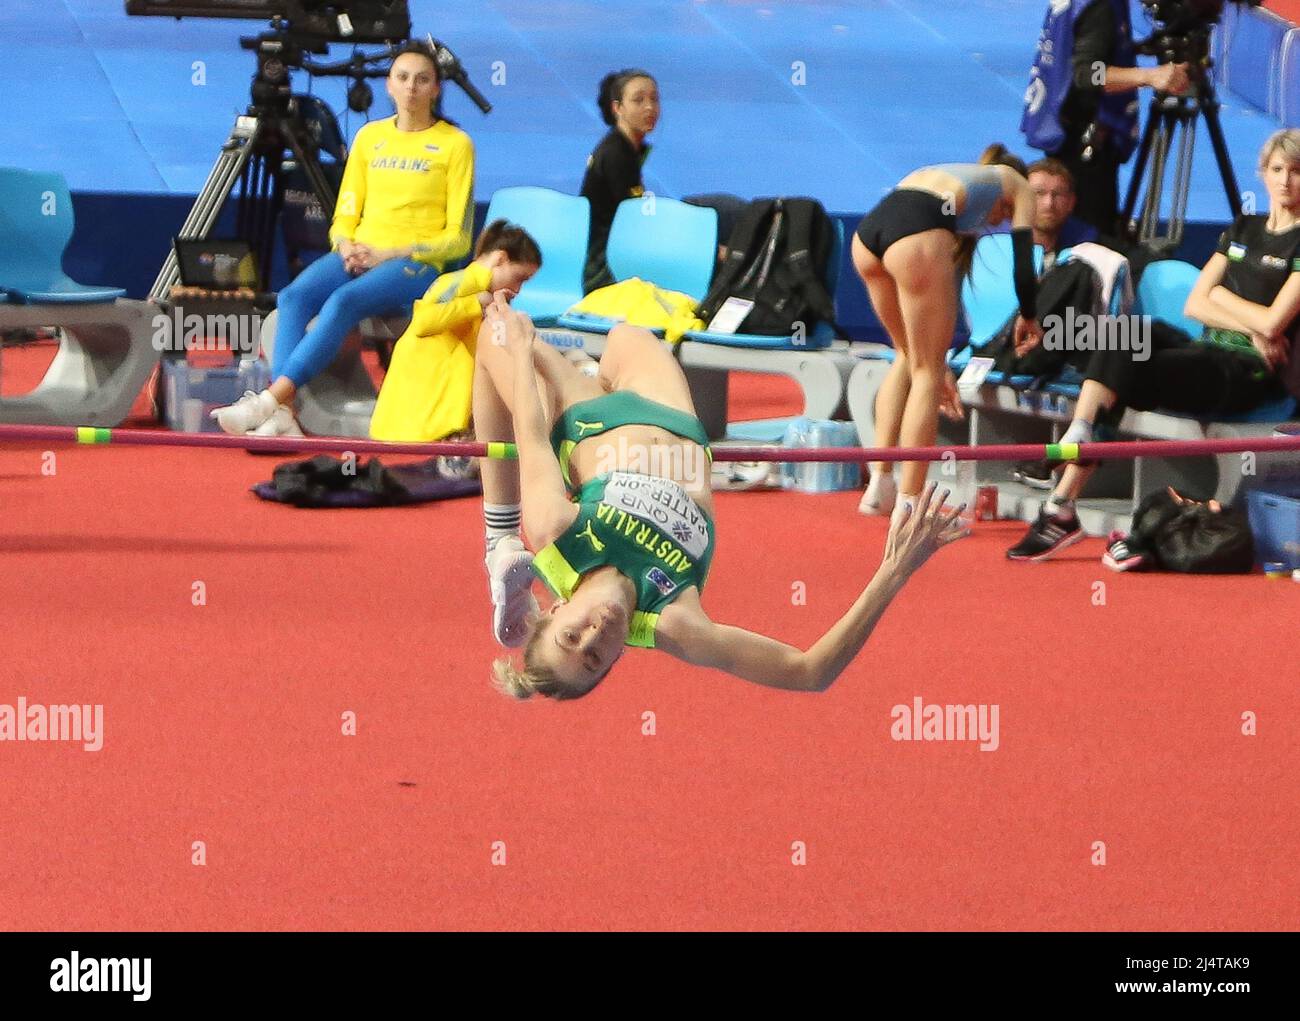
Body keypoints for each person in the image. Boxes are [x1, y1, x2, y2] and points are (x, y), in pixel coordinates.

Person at [472, 299, 968, 699]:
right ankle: (583, 371)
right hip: (669, 415)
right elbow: (809, 671)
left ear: (557, 610)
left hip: (588, 427)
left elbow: (530, 437)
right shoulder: (676, 622)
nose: (593, 636)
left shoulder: (557, 531)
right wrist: (894, 571)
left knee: (499, 336)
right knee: (627, 338)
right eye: (595, 658)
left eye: (571, 637)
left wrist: (520, 349)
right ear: (618, 658)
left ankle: (498, 542)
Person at [1007, 129, 1300, 562]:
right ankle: (1079, 438)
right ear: (1262, 173)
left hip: (1249, 370)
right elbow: (1195, 302)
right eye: (1278, 170)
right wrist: (1249, 320)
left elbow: (1274, 321)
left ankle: (1063, 500)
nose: (1286, 181)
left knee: (1125, 369)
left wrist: (1234, 311)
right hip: (1210, 347)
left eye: (1296, 172)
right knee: (1123, 334)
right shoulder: (1243, 228)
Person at [213, 42, 476, 438]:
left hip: (414, 265)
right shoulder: (370, 139)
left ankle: (271, 400)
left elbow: (458, 240)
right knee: (292, 297)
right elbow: (344, 216)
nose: (411, 88)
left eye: (422, 80)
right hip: (359, 254)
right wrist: (345, 245)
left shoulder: (456, 145)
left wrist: (393, 252)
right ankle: (282, 413)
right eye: (402, 78)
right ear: (388, 85)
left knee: (343, 302)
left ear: (436, 89)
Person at [853, 146, 1041, 526]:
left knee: (906, 357)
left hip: (868, 236)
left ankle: (881, 486)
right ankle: (910, 507)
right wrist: (1031, 315)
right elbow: (1025, 267)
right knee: (927, 371)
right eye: (1003, 214)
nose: (999, 221)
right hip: (912, 235)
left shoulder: (952, 177)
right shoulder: (1017, 184)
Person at [1022, 0, 1191, 235]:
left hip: (1066, 131)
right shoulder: (1100, 8)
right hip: (1085, 150)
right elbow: (1089, 73)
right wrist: (1150, 76)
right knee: (1089, 240)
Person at [369, 221, 540, 443]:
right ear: (500, 259)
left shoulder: (487, 295)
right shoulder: (459, 282)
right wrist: (474, 304)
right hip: (420, 389)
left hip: (441, 399)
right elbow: (423, 321)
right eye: (519, 278)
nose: (518, 290)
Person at [580, 69, 659, 294]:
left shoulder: (625, 148)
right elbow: (636, 221)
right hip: (603, 265)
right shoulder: (616, 154)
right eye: (638, 100)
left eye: (654, 99)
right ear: (617, 108)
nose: (649, 108)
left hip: (617, 250)